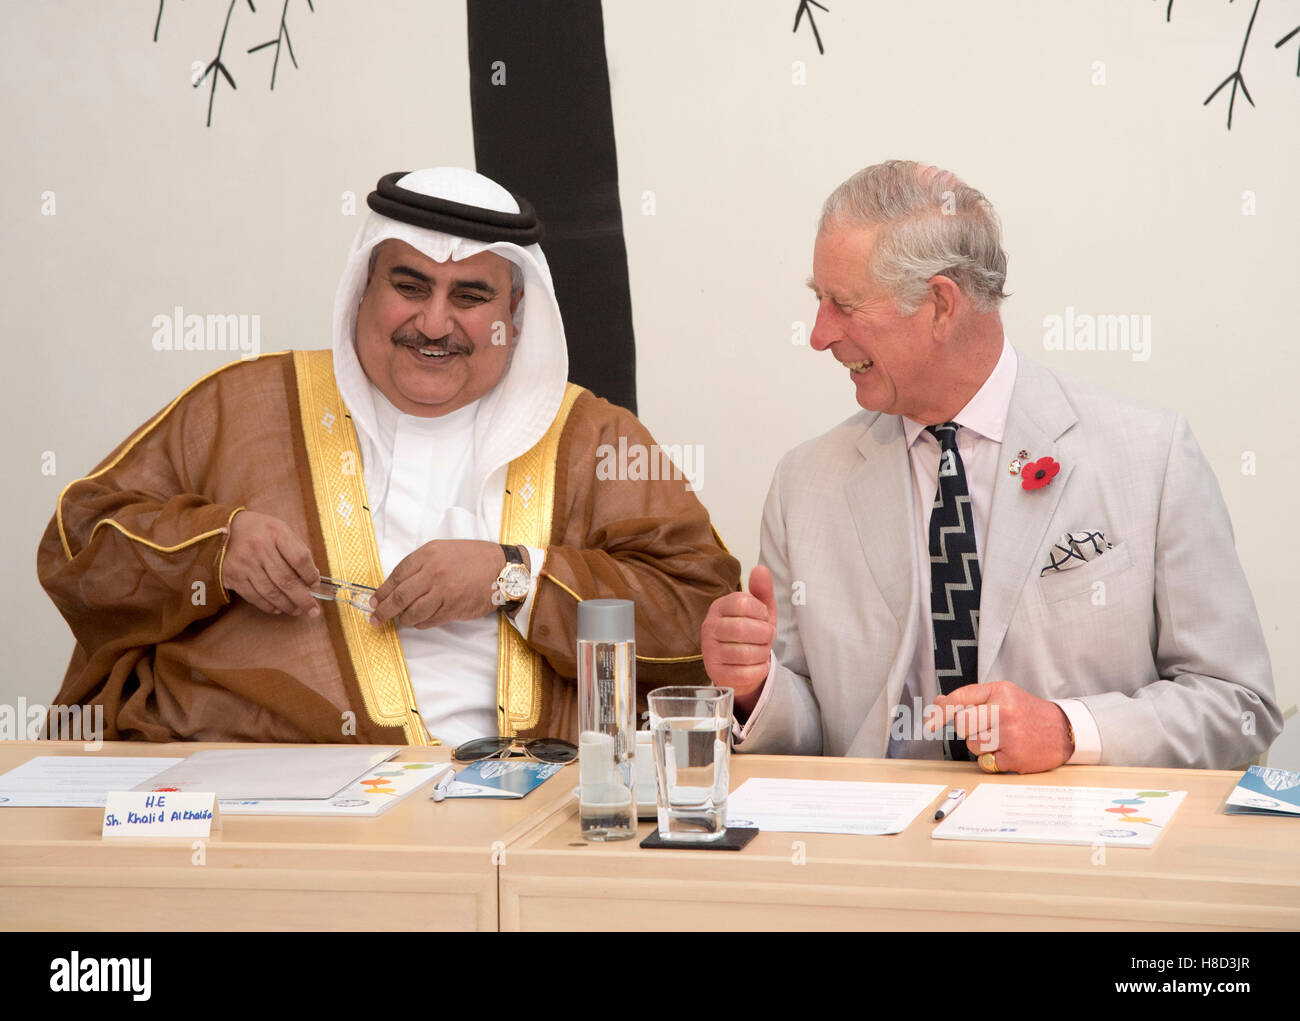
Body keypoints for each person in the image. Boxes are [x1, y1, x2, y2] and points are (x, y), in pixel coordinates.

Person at [39, 167, 739, 746]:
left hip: (520, 804)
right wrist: (215, 548)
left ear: (516, 313)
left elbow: (700, 616)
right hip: (256, 798)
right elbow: (78, 545)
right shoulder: (242, 406)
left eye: (469, 297)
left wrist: (516, 577)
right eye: (410, 286)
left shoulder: (592, 439)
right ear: (364, 288)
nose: (434, 323)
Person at [702, 160, 1280, 772]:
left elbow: (1237, 705)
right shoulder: (805, 485)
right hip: (879, 857)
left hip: (1080, 856)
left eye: (844, 304)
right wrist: (754, 687)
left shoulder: (1150, 455)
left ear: (941, 307)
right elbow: (817, 733)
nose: (818, 335)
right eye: (819, 300)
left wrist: (1066, 731)